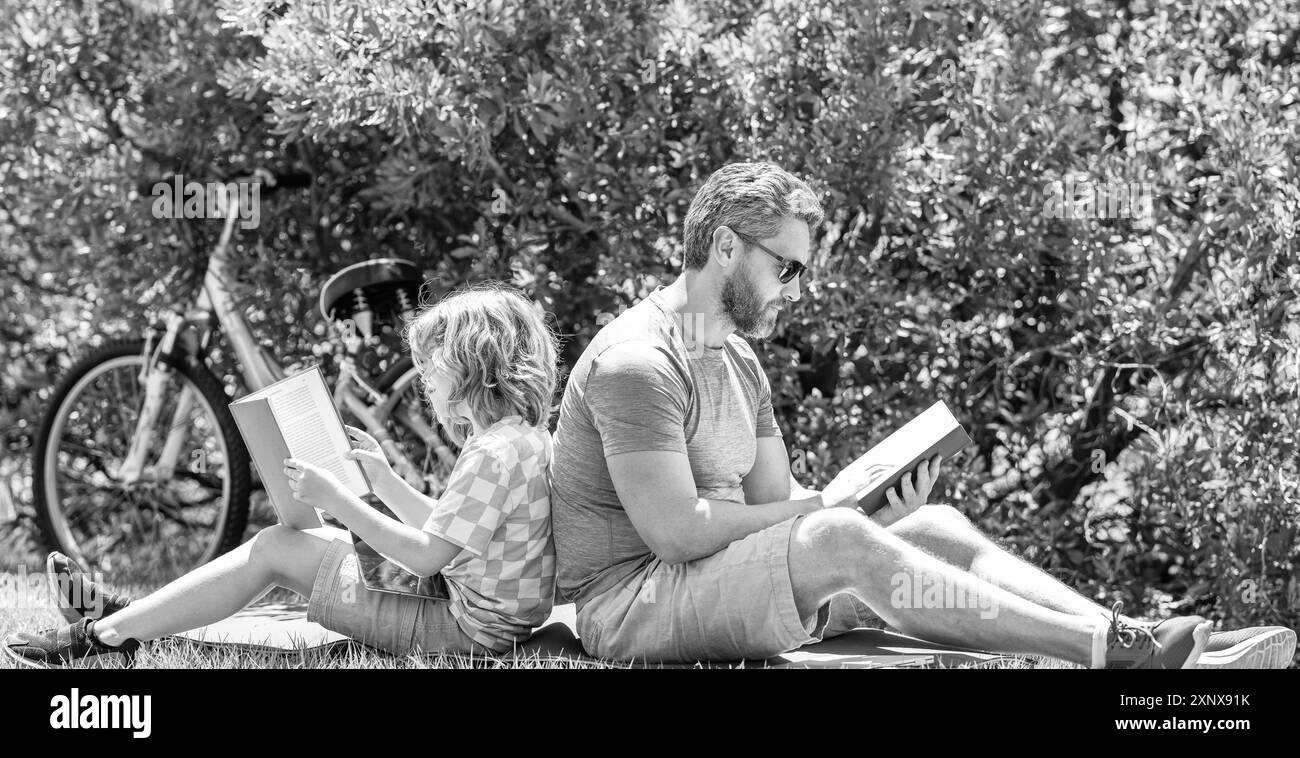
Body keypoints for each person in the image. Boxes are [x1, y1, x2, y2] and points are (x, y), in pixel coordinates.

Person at [549, 161, 1297, 668]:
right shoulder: (637, 364)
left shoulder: (739, 359)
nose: (797, 292)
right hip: (632, 604)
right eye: (787, 268)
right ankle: (1116, 653)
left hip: (707, 578)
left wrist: (874, 502)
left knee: (929, 528)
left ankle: (1145, 641)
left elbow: (775, 507)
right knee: (840, 533)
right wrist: (837, 514)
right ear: (722, 247)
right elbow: (678, 534)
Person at [6, 283, 561, 667]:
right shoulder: (522, 440)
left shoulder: (491, 452)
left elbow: (425, 557)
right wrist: (385, 481)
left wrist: (340, 499)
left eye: (432, 372)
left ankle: (100, 637)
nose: (425, 385)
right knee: (297, 542)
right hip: (474, 617)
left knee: (277, 546)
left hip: (460, 633)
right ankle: (124, 622)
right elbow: (451, 536)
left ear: (471, 366)